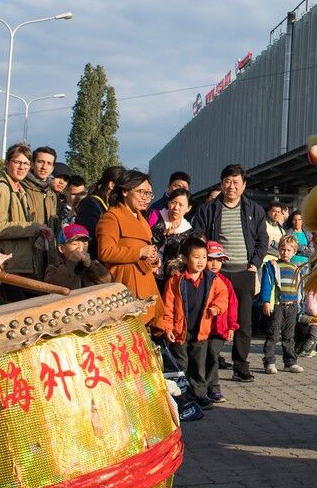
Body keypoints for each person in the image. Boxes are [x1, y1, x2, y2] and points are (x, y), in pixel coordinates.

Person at [191, 164, 269, 383]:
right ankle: (210, 362)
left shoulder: (254, 210)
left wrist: (254, 265)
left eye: (236, 182)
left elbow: (263, 240)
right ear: (221, 183)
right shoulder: (209, 209)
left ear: (244, 185)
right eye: (227, 181)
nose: (231, 186)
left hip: (245, 271)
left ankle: (241, 365)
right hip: (217, 273)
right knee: (213, 317)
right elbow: (198, 236)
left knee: (244, 322)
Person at [161, 238, 233, 421]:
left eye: (204, 257)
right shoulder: (176, 280)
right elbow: (167, 306)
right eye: (196, 257)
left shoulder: (212, 279)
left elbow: (223, 295)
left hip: (201, 331)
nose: (201, 261)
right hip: (180, 331)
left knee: (198, 365)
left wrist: (216, 307)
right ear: (185, 259)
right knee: (181, 365)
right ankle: (182, 397)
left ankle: (200, 395)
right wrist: (167, 326)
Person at [0, 143, 54, 301]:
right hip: (5, 267)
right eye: (17, 162)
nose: (22, 167)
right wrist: (34, 227)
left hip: (16, 265)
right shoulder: (1, 190)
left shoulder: (18, 190)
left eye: (26, 163)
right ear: (6, 163)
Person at [96, 170, 162, 329]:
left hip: (145, 282)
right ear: (125, 191)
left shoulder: (141, 218)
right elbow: (105, 252)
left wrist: (154, 259)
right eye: (142, 192)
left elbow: (144, 248)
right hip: (125, 285)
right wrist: (139, 252)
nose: (146, 197)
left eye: (149, 194)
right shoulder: (111, 216)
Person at [260, 234, 304, 374]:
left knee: (289, 336)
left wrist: (299, 305)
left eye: (289, 250)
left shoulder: (296, 268)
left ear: (294, 252)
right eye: (283, 249)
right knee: (273, 335)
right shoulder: (272, 266)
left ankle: (290, 362)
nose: (285, 252)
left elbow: (299, 288)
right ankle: (269, 362)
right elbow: (266, 285)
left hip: (291, 306)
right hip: (278, 304)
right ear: (278, 249)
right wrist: (266, 301)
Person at [75, 165, 124, 260]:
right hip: (93, 263)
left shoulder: (112, 206)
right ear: (111, 185)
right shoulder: (90, 204)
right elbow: (86, 238)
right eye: (123, 187)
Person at [44, 223, 112, 291]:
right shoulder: (53, 268)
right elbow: (56, 288)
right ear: (62, 248)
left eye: (85, 244)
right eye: (75, 244)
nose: (80, 248)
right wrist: (70, 263)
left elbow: (107, 281)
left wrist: (90, 265)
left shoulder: (93, 264)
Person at [26, 145, 61, 231]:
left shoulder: (52, 194)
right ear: (32, 164)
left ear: (52, 168)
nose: (44, 167)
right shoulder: (22, 189)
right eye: (40, 162)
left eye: (49, 163)